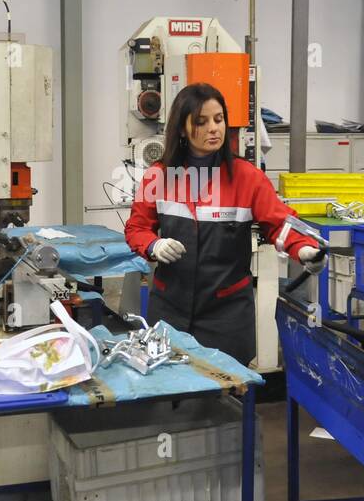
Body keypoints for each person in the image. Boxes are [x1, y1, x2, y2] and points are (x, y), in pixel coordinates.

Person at [125, 82, 325, 365]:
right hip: (170, 310)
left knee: (227, 401)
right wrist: (154, 244)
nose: (214, 129)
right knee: (172, 397)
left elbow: (279, 222)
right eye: (202, 122)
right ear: (182, 128)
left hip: (226, 316)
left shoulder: (246, 177)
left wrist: (303, 249)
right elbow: (136, 228)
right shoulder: (159, 176)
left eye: (219, 120)